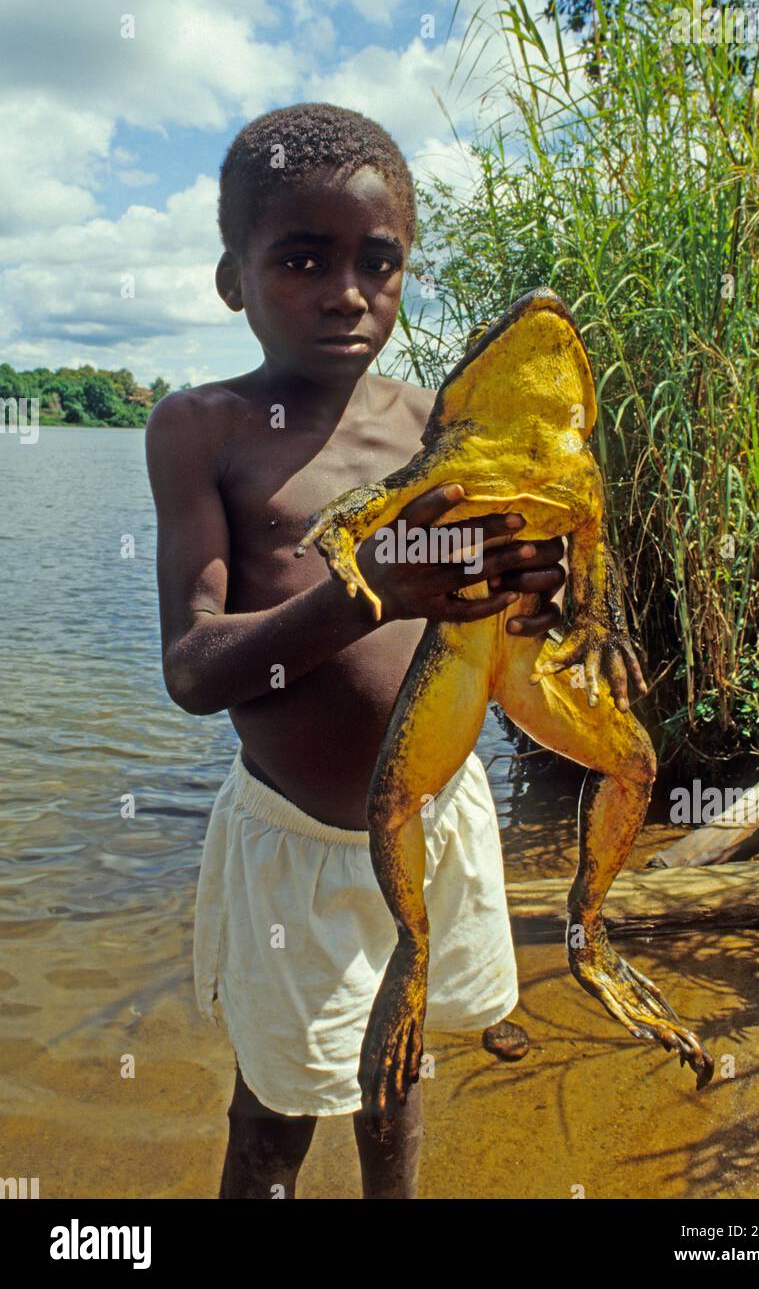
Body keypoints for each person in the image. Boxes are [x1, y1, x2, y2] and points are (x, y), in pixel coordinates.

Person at [145, 103, 568, 1199]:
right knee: (274, 1116)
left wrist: (527, 593)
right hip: (294, 846)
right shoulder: (202, 429)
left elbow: (491, 633)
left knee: (399, 1075)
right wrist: (368, 592)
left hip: (429, 824)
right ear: (233, 279)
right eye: (302, 257)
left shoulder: (438, 425)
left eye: (378, 262)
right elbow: (194, 667)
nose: (347, 293)